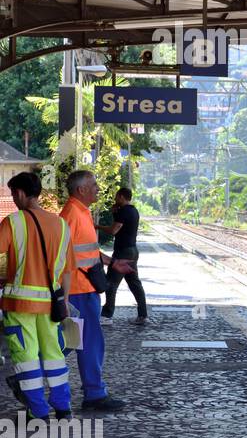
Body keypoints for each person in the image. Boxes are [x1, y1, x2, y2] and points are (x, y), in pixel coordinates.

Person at [0, 173, 73, 420]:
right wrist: (66, 302)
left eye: (13, 194)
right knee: (54, 355)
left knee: (27, 357)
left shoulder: (13, 222)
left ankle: (38, 411)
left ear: (20, 193)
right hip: (52, 306)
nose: (13, 199)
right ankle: (63, 408)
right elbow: (67, 270)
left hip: (20, 304)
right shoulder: (61, 225)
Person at [60, 170, 125, 412]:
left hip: (84, 288)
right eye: (94, 185)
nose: (98, 188)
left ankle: (30, 373)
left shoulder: (81, 212)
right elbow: (61, 256)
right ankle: (94, 394)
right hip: (78, 291)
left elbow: (86, 250)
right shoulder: (71, 214)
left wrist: (110, 262)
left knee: (74, 342)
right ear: (81, 190)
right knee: (85, 342)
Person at [100, 186, 147, 325]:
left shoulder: (124, 211)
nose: (115, 199)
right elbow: (122, 228)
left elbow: (114, 230)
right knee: (134, 283)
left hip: (123, 252)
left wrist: (97, 226)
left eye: (116, 196)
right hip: (133, 250)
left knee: (111, 283)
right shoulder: (133, 211)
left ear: (121, 196)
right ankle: (143, 315)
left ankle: (106, 316)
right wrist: (115, 213)